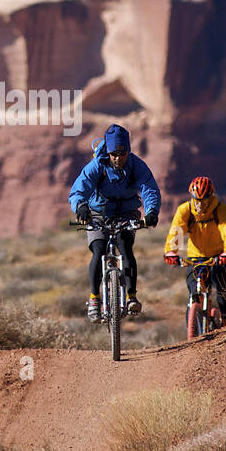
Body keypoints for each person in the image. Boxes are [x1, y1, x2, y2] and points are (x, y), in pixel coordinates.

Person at [69, 124, 161, 321]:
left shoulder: (137, 165)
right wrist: (81, 208)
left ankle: (131, 297)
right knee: (99, 249)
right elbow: (79, 190)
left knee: (126, 247)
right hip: (98, 212)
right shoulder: (97, 165)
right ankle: (95, 298)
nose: (118, 158)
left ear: (128, 150)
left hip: (127, 212)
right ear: (108, 152)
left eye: (122, 153)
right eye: (113, 154)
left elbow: (149, 189)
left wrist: (151, 212)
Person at [164, 175, 226, 327]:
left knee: (221, 289)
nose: (200, 204)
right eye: (197, 200)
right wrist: (171, 251)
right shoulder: (185, 210)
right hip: (195, 257)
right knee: (193, 294)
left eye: (204, 201)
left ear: (211, 198)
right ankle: (193, 332)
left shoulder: (220, 210)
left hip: (219, 256)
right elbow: (177, 231)